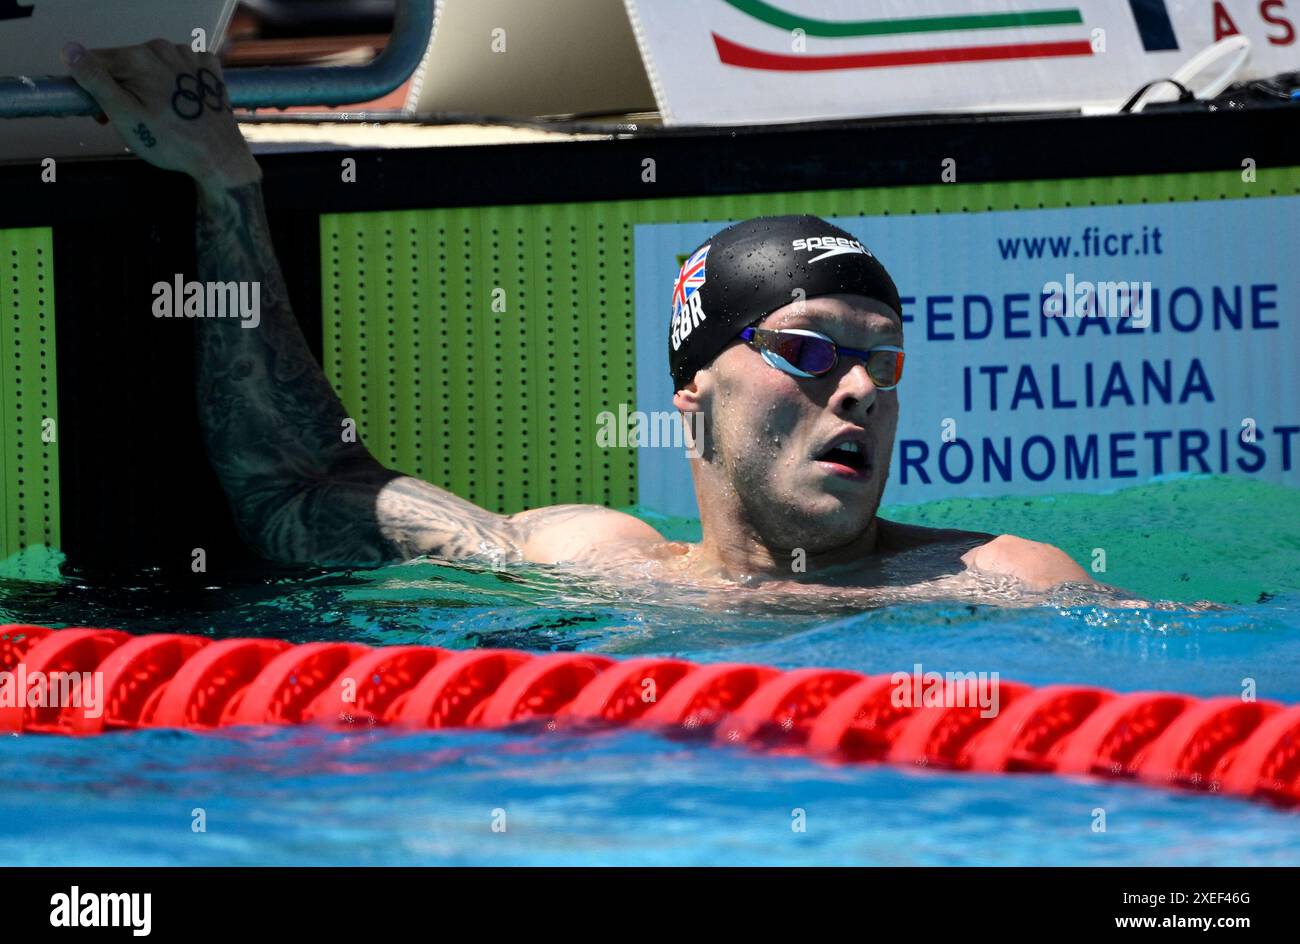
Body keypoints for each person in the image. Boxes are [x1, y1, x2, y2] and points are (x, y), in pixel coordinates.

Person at [60, 39, 1097, 603]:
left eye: (881, 357)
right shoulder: (599, 563)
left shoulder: (993, 584)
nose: (861, 385)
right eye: (810, 348)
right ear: (692, 401)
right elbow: (297, 492)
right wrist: (229, 187)